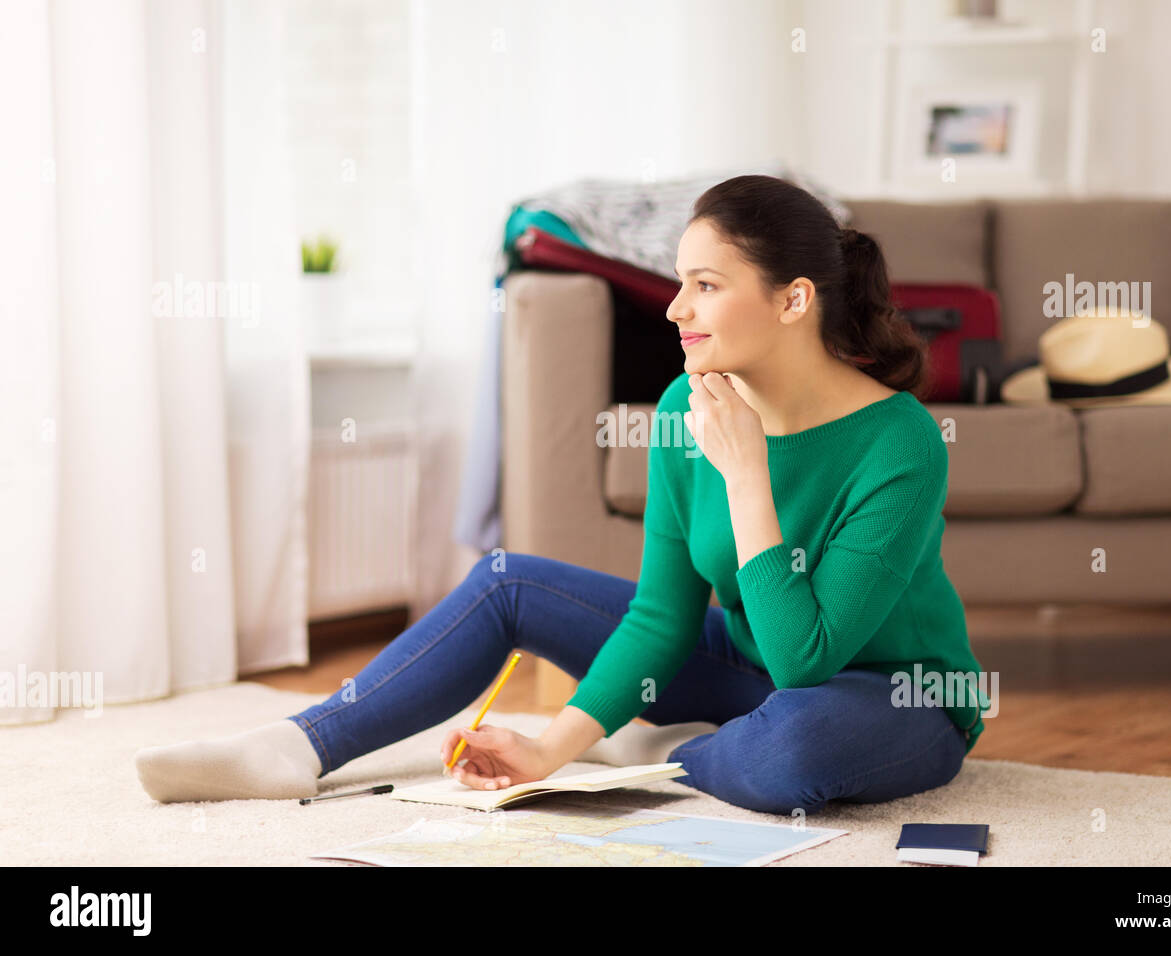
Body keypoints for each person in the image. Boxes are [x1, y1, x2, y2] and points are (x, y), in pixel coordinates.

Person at [134, 174, 987, 816]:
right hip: (745, 666)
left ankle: (674, 753)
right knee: (507, 581)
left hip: (888, 693)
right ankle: (298, 747)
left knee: (794, 751)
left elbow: (810, 661)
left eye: (707, 285)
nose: (677, 309)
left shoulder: (899, 440)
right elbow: (662, 618)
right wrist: (551, 748)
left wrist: (748, 474)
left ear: (794, 299)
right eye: (681, 281)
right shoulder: (687, 406)